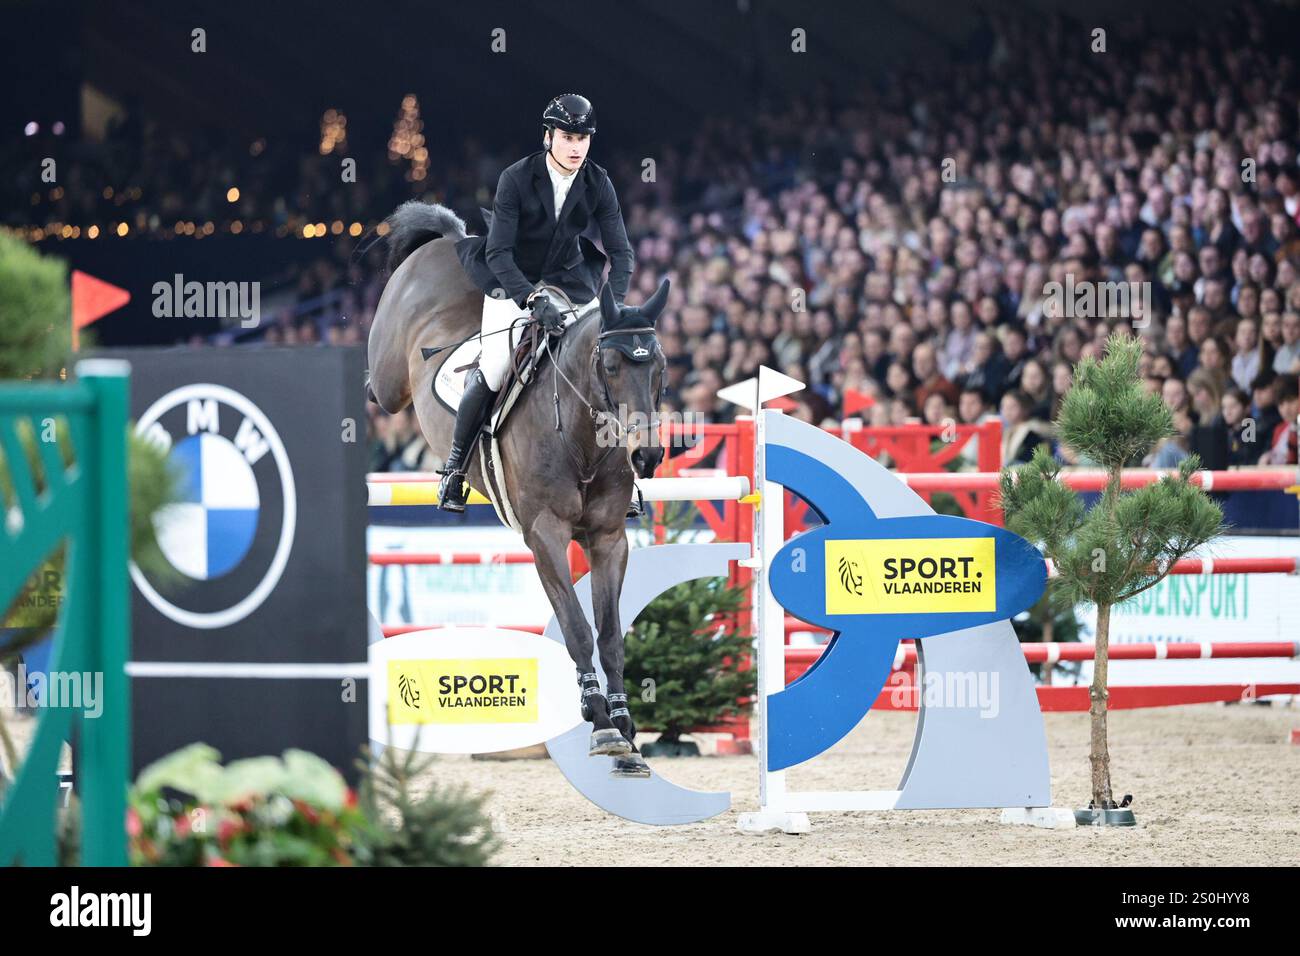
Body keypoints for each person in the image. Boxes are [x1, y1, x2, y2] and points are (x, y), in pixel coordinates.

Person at [440, 93, 634, 511]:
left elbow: (623, 254)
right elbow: (499, 254)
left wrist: (613, 309)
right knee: (494, 368)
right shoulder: (516, 178)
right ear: (549, 137)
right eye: (568, 137)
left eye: (584, 138)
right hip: (513, 278)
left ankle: (624, 476)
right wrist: (529, 298)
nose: (577, 147)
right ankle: (455, 470)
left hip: (570, 281)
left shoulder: (598, 182)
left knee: (604, 364)